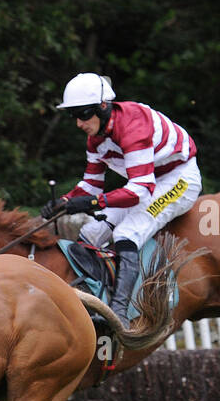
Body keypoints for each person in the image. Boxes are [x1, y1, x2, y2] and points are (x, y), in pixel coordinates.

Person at [41, 73, 201, 325]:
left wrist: (90, 203)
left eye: (83, 114)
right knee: (90, 234)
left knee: (126, 234)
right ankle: (93, 298)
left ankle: (119, 313)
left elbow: (139, 191)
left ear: (103, 107)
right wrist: (64, 202)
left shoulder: (133, 125)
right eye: (73, 116)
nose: (79, 123)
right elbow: (91, 185)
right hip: (146, 183)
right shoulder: (96, 138)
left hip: (178, 179)